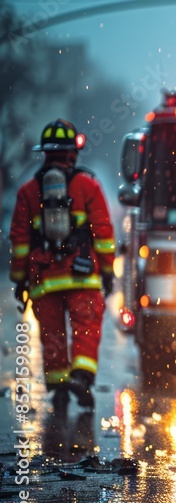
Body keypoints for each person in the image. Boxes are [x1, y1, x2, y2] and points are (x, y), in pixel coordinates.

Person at [8, 119, 116, 410]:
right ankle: (81, 377)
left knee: (52, 335)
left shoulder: (28, 191)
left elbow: (19, 241)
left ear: (44, 152)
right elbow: (103, 233)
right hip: (82, 274)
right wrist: (107, 270)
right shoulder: (88, 185)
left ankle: (58, 388)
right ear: (73, 152)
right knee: (86, 326)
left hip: (43, 278)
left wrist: (19, 280)